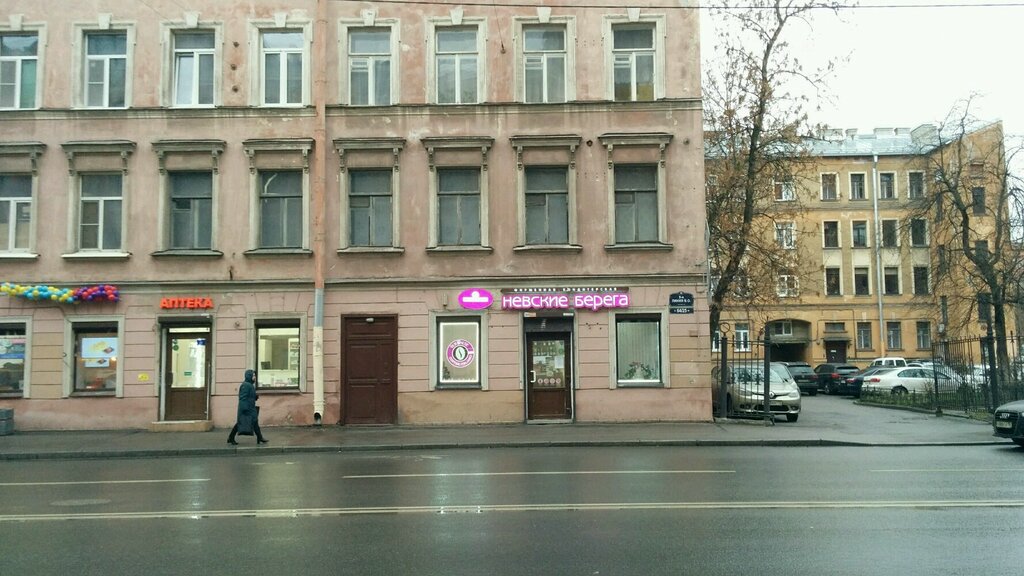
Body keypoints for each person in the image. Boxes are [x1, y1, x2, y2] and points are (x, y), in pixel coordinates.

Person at [227, 369, 267, 445]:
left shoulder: (250, 385)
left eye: (255, 375)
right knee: (240, 423)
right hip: (247, 408)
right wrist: (244, 409)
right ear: (249, 376)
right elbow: (243, 398)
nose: (254, 377)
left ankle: (260, 438)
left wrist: (255, 397)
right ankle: (231, 437)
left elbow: (249, 396)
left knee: (254, 422)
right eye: (253, 375)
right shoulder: (245, 385)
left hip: (250, 407)